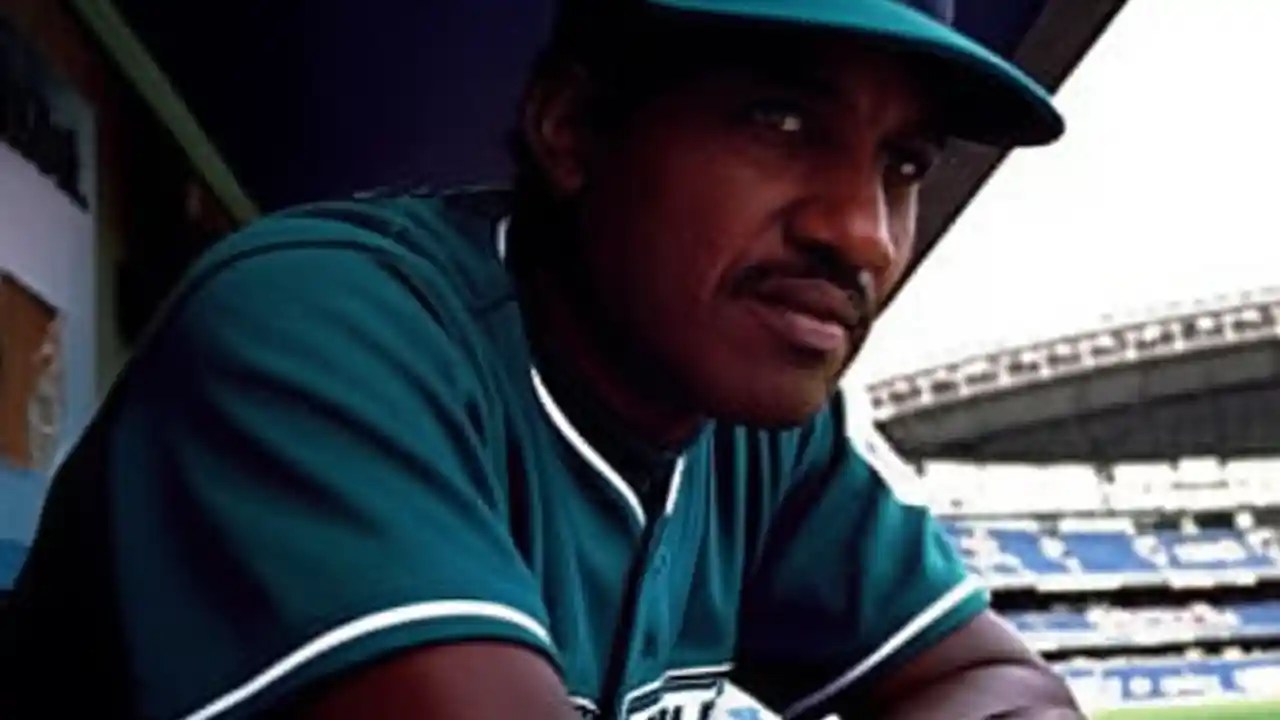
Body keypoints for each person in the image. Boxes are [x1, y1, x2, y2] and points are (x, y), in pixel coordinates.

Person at [1, 1, 1083, 717]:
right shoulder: (321, 320)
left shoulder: (758, 429)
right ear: (571, 127)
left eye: (901, 164)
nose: (862, 232)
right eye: (779, 118)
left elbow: (1005, 686)